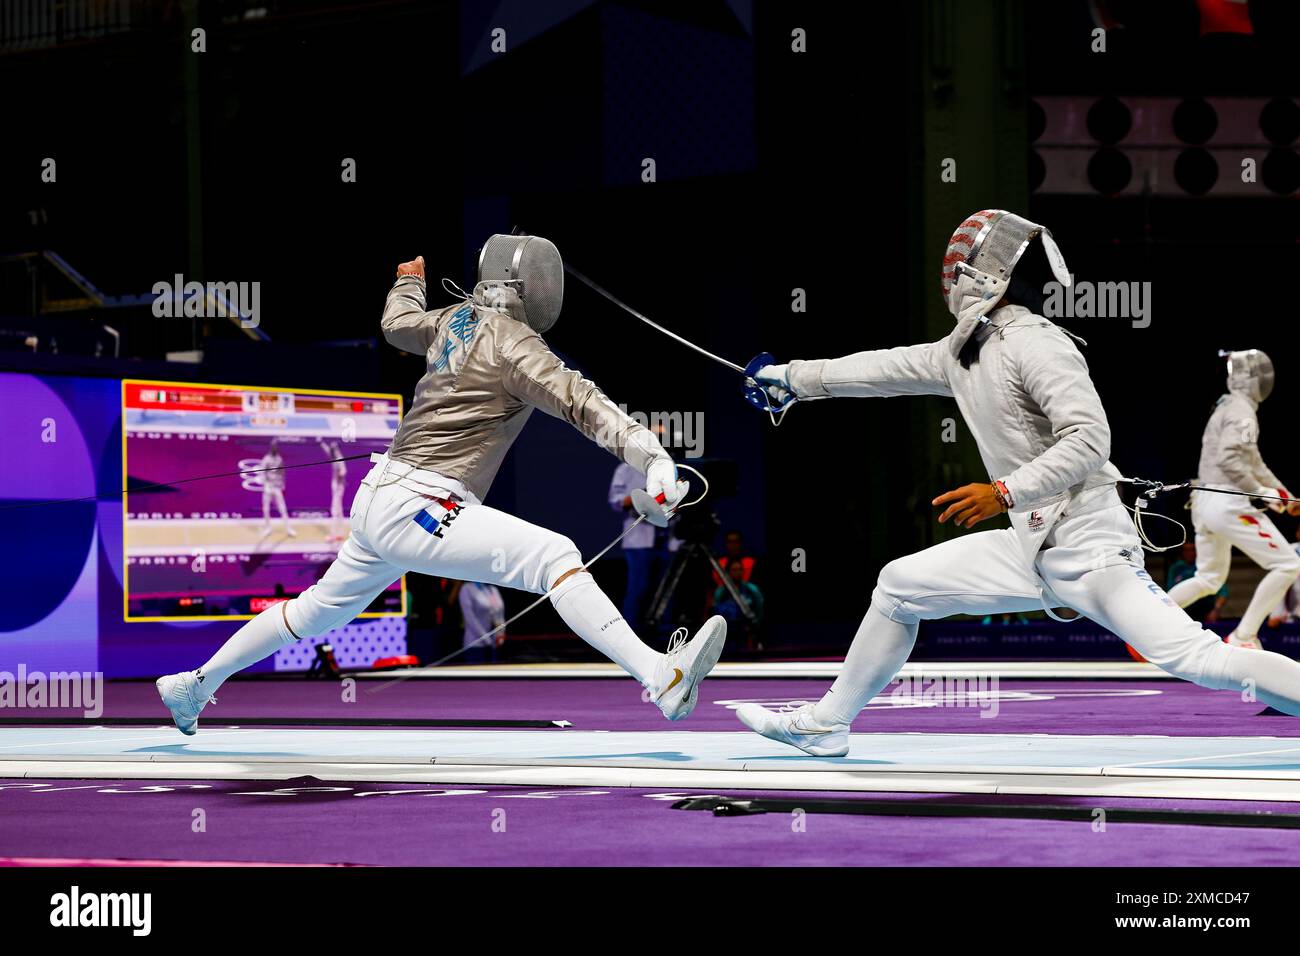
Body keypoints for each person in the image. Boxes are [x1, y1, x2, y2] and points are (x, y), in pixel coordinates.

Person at [735, 209, 1300, 756]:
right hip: (1029, 544)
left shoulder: (1039, 342)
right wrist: (788, 379)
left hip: (1088, 543)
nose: (949, 277)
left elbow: (1087, 440)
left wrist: (1001, 493)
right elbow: (879, 370)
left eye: (958, 265)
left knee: (1198, 659)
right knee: (898, 587)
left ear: (985, 275)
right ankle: (825, 725)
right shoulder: (962, 354)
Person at [157, 236, 725, 734]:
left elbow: (397, 324)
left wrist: (407, 282)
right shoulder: (515, 344)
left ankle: (195, 683)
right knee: (555, 555)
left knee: (312, 613)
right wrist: (652, 455)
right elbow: (582, 402)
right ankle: (658, 674)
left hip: (380, 494)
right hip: (420, 502)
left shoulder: (451, 320)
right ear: (529, 288)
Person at [1164, 350, 1300, 648]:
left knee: (1209, 578)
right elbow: (1229, 460)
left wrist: (1283, 493)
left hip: (1204, 502)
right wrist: (1262, 491)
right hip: (1226, 502)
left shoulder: (1230, 407)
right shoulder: (1241, 411)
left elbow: (1253, 461)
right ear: (1252, 379)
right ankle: (1244, 636)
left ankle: (1148, 623)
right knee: (1288, 565)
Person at [608, 460, 674, 629]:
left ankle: (665, 633)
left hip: (665, 538)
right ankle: (629, 632)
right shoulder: (625, 469)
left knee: (664, 588)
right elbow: (615, 500)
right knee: (638, 587)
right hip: (639, 540)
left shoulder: (667, 468)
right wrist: (637, 498)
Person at [1165, 540, 1227, 624]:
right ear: (1182, 552)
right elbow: (1169, 591)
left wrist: (1216, 610)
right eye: (1187, 550)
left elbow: (1223, 591)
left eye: (1193, 550)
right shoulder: (1176, 568)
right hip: (1184, 611)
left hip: (1206, 610)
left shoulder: (1207, 566)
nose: (1190, 553)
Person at [712, 559, 763, 648]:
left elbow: (759, 610)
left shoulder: (752, 589)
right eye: (734, 570)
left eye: (740, 569)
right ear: (728, 572)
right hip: (726, 636)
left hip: (746, 634)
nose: (738, 572)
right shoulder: (720, 592)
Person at [456, 580, 506, 663]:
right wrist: (486, 638)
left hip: (494, 645)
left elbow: (499, 612)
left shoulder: (492, 589)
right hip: (475, 644)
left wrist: (500, 634)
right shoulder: (467, 589)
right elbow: (470, 618)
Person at [258, 439, 296, 537]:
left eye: (276, 447)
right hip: (268, 487)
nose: (275, 448)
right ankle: (267, 528)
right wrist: (265, 484)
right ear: (271, 448)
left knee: (282, 508)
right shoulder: (266, 459)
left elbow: (282, 472)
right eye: (273, 447)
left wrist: (282, 484)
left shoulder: (279, 459)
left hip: (277, 487)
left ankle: (288, 529)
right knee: (266, 509)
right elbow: (262, 472)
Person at [318, 438, 348, 543]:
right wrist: (321, 443)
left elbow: (344, 471)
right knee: (338, 512)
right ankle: (341, 533)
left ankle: (333, 535)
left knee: (335, 511)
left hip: (338, 489)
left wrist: (341, 473)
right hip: (336, 487)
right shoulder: (334, 457)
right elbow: (327, 451)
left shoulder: (339, 459)